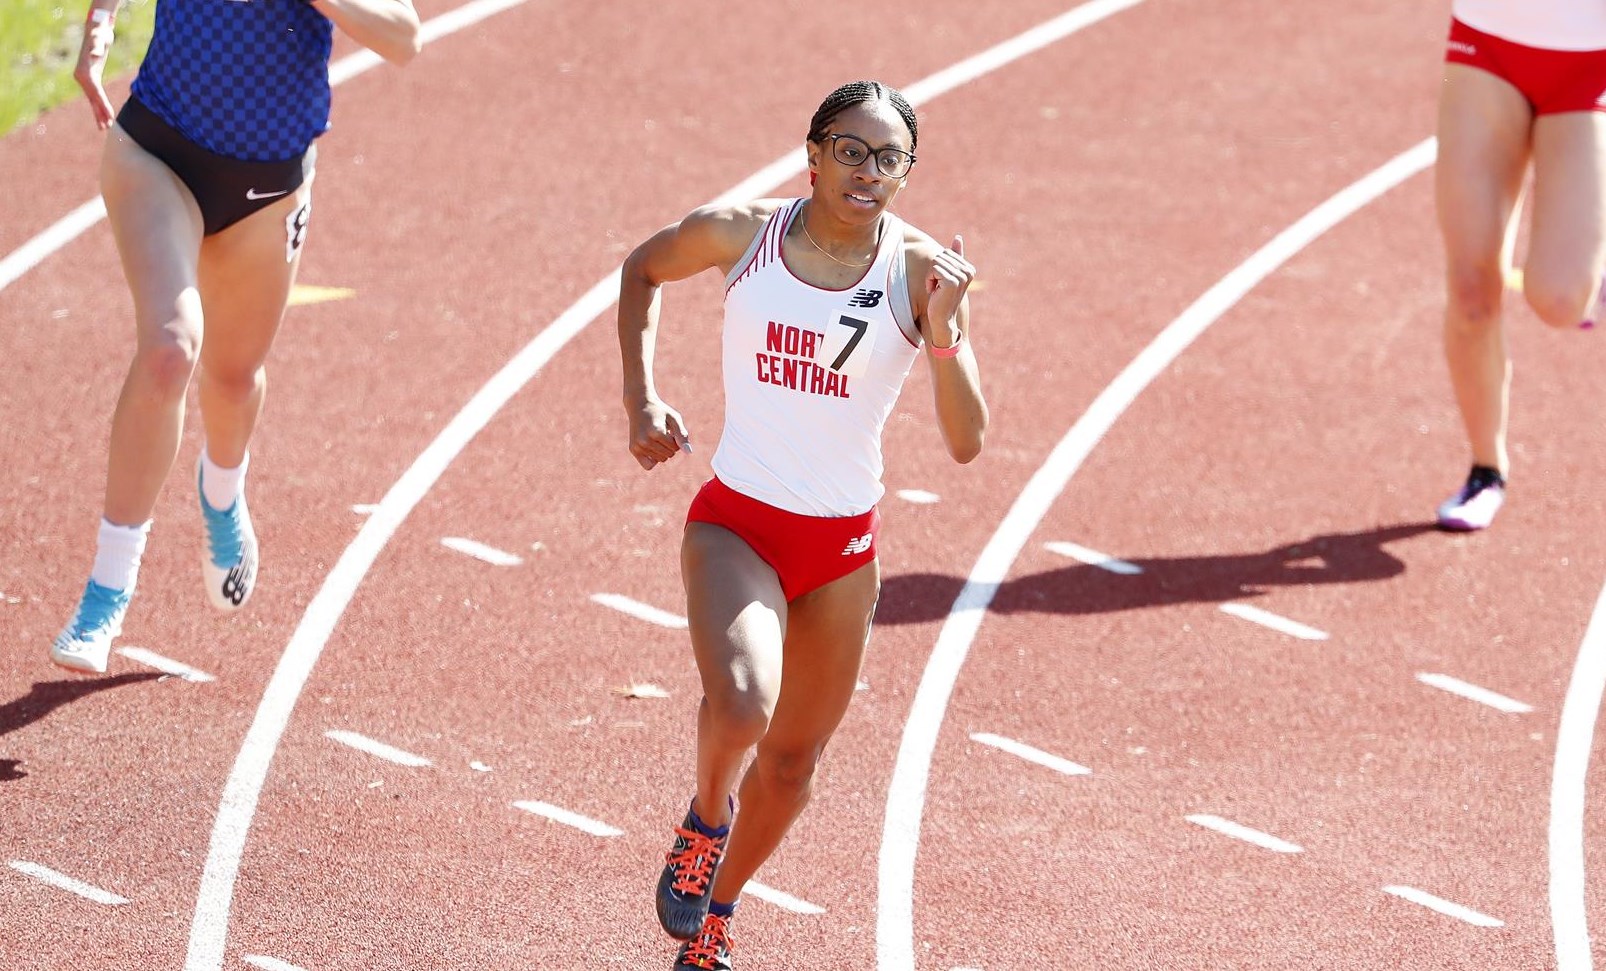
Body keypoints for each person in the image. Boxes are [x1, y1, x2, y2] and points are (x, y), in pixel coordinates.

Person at [617, 80, 989, 970]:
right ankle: (706, 819)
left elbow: (967, 441)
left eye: (888, 157)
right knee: (744, 700)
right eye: (850, 150)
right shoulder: (743, 234)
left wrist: (943, 331)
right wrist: (641, 399)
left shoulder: (922, 274)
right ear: (813, 155)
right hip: (737, 526)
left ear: (907, 172)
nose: (868, 171)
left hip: (842, 552)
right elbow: (642, 270)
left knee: (790, 768)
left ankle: (716, 915)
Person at [50, 0, 422, 674]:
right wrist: (100, 18)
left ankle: (222, 490)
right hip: (156, 152)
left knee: (233, 375)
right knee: (170, 349)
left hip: (269, 191)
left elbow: (404, 36)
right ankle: (107, 588)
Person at [1434, 0, 1606, 530]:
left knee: (1559, 299)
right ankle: (1486, 469)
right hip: (1485, 43)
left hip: (1592, 63)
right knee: (1471, 291)